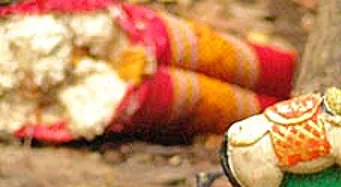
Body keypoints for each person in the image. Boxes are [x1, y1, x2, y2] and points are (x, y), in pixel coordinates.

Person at [0, 0, 296, 142]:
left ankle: (301, 79)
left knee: (229, 56)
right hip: (93, 96)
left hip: (101, 29)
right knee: (220, 105)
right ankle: (299, 123)